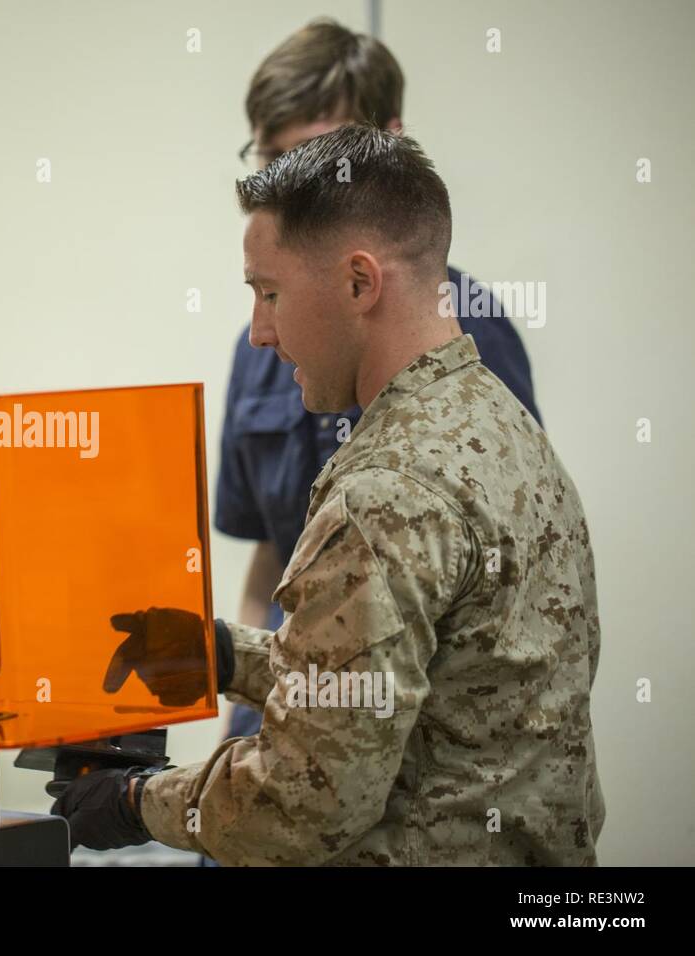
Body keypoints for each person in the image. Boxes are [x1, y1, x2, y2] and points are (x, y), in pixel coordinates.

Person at [53, 125, 605, 865]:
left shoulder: (382, 494)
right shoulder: (501, 428)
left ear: (358, 283)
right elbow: (411, 691)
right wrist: (223, 656)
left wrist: (132, 802)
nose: (258, 332)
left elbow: (302, 803)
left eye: (270, 293)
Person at [221, 20, 541, 743]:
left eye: (315, 161)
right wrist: (241, 736)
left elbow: (503, 588)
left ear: (385, 146)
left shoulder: (469, 337)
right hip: (280, 730)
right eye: (274, 162)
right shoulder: (258, 345)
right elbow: (272, 562)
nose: (290, 192)